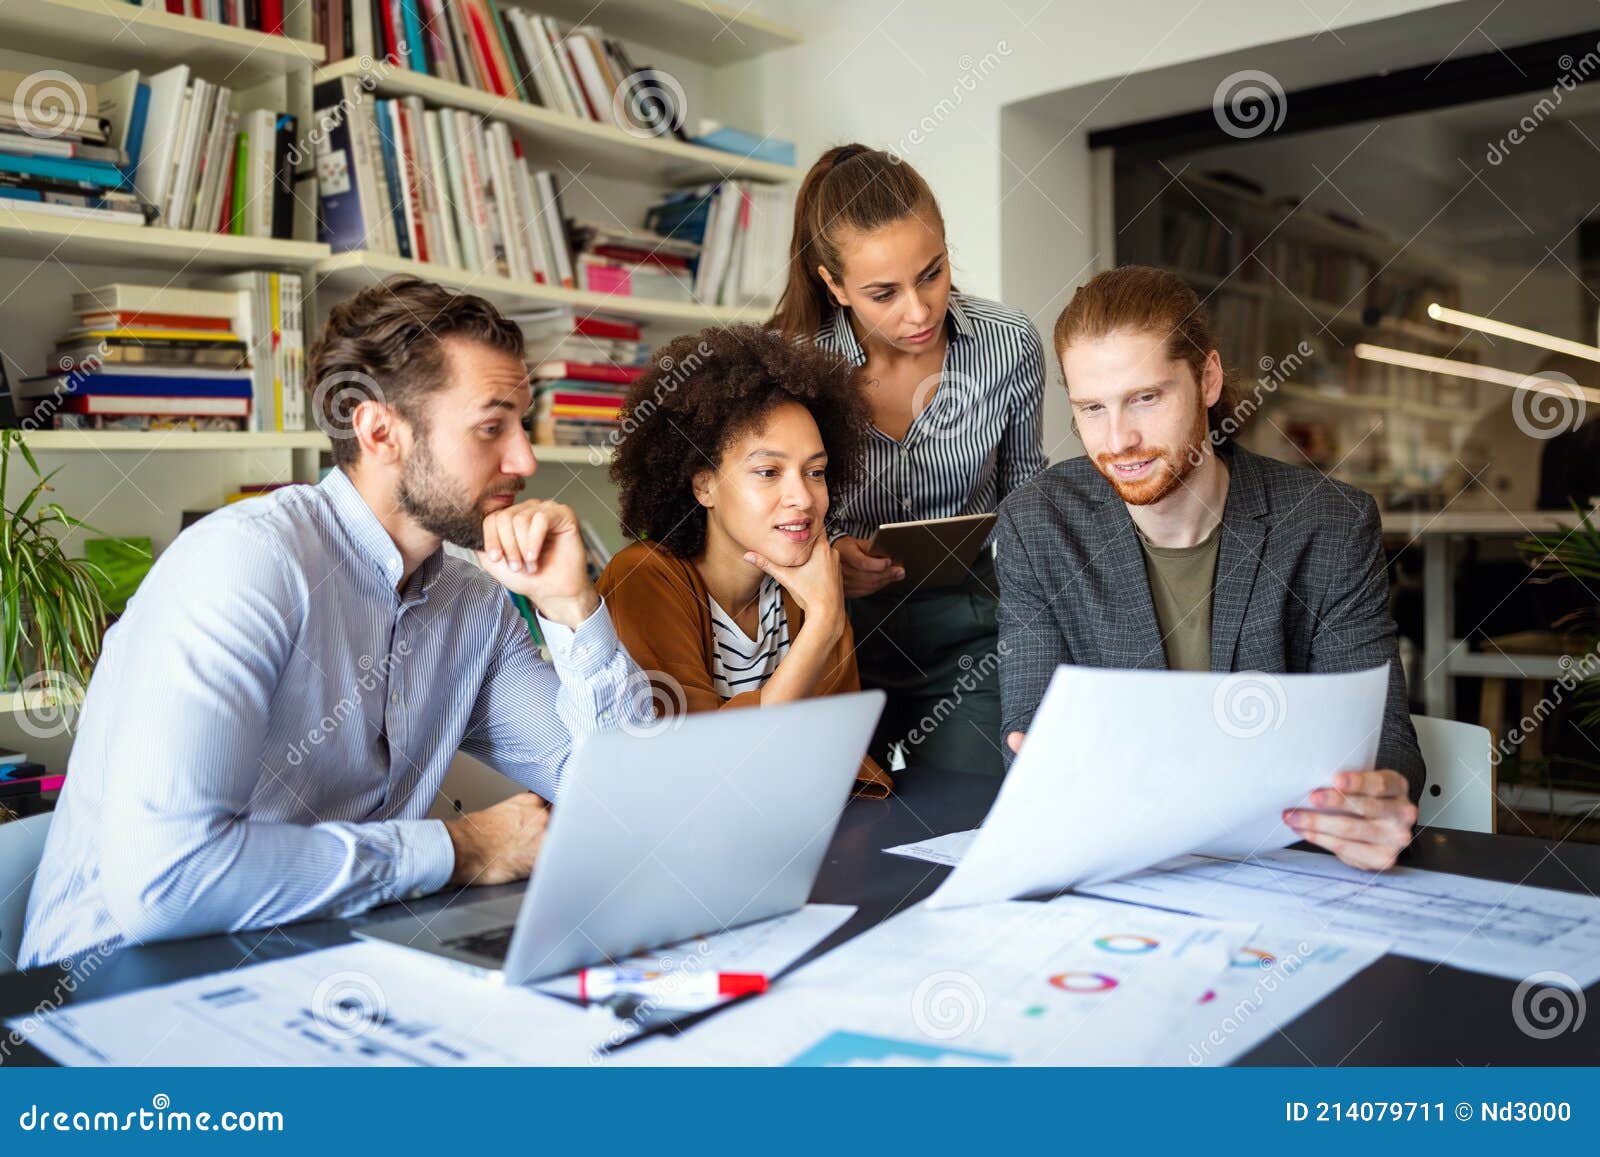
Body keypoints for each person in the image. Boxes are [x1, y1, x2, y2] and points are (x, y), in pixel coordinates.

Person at [19, 277, 650, 968]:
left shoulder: (473, 604)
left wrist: (571, 606)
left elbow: (625, 796)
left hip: (323, 963)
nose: (525, 459)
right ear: (379, 431)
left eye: (521, 425)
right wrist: (462, 846)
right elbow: (169, 882)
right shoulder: (247, 562)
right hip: (110, 991)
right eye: (491, 426)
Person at [995, 265, 1425, 872]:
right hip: (1130, 874)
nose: (1118, 440)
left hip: (1291, 872)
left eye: (1146, 397)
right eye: (1092, 408)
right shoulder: (1037, 526)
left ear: (1209, 379)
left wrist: (1373, 802)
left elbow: (1386, 743)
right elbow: (1027, 741)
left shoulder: (1329, 523)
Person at [771, 143, 1047, 777]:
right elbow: (757, 508)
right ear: (834, 285)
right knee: (836, 829)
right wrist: (831, 546)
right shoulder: (793, 367)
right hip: (832, 630)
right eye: (882, 293)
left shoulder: (1008, 346)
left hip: (970, 635)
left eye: (932, 273)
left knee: (969, 818)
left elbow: (1026, 498)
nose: (919, 311)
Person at [595, 324, 892, 797]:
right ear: (703, 486)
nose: (803, 497)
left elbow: (836, 754)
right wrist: (824, 623)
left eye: (815, 472)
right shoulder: (643, 577)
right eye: (768, 472)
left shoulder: (808, 578)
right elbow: (704, 766)